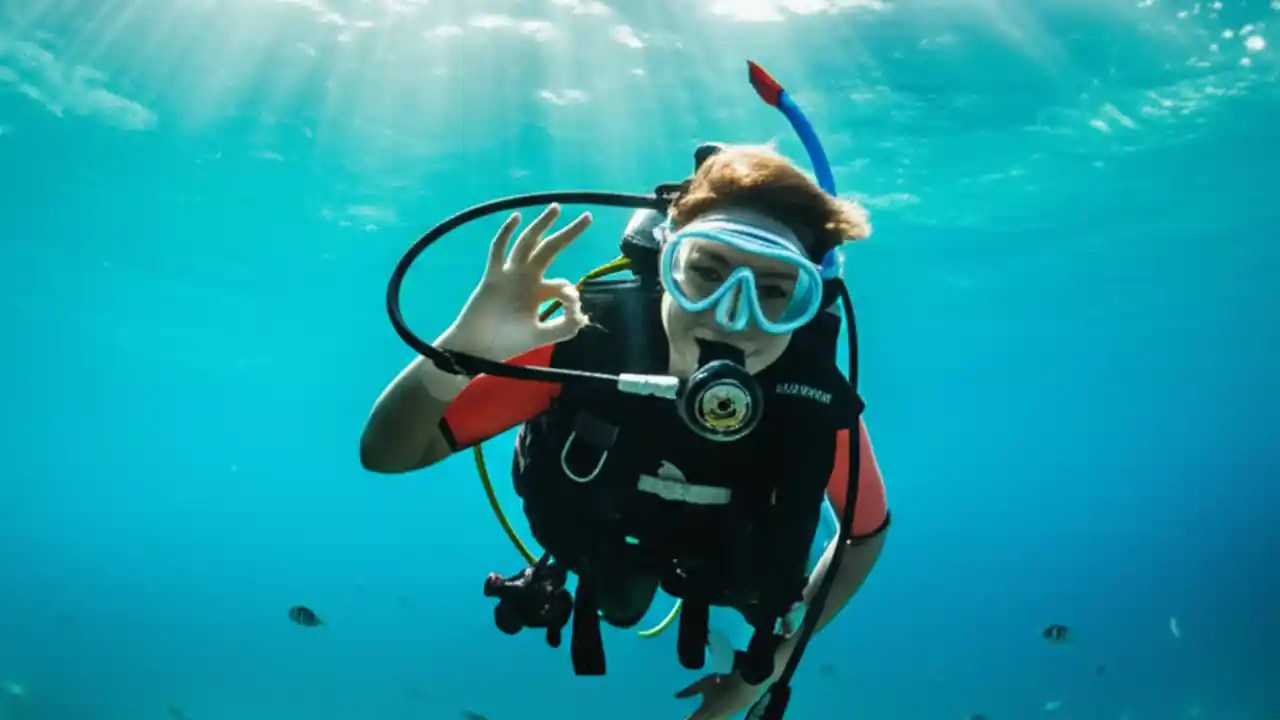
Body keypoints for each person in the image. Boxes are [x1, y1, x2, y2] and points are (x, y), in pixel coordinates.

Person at [361, 140, 891, 720]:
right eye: (706, 272)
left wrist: (757, 678)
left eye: (773, 292)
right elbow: (389, 453)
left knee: (754, 590)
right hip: (605, 536)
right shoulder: (587, 342)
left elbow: (864, 536)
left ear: (807, 304)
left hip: (731, 562)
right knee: (620, 599)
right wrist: (462, 349)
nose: (731, 315)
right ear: (666, 266)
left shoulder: (811, 399)